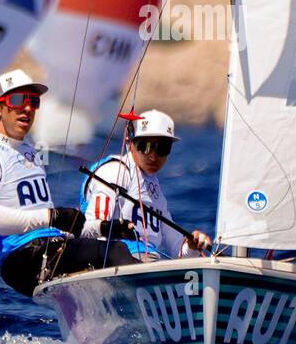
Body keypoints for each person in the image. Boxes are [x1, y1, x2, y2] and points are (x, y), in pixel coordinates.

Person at [0, 69, 139, 297]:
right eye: (18, 100)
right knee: (115, 252)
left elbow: (54, 223)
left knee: (116, 246)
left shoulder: (29, 153)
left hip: (48, 250)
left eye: (33, 101)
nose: (28, 108)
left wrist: (103, 228)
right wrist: (51, 217)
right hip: (22, 259)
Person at [81, 109, 212, 261]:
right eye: (145, 146)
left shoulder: (157, 195)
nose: (153, 156)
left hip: (146, 263)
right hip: (111, 259)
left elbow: (178, 251)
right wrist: (112, 229)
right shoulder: (115, 171)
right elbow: (87, 229)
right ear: (131, 142)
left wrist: (191, 246)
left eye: (163, 148)